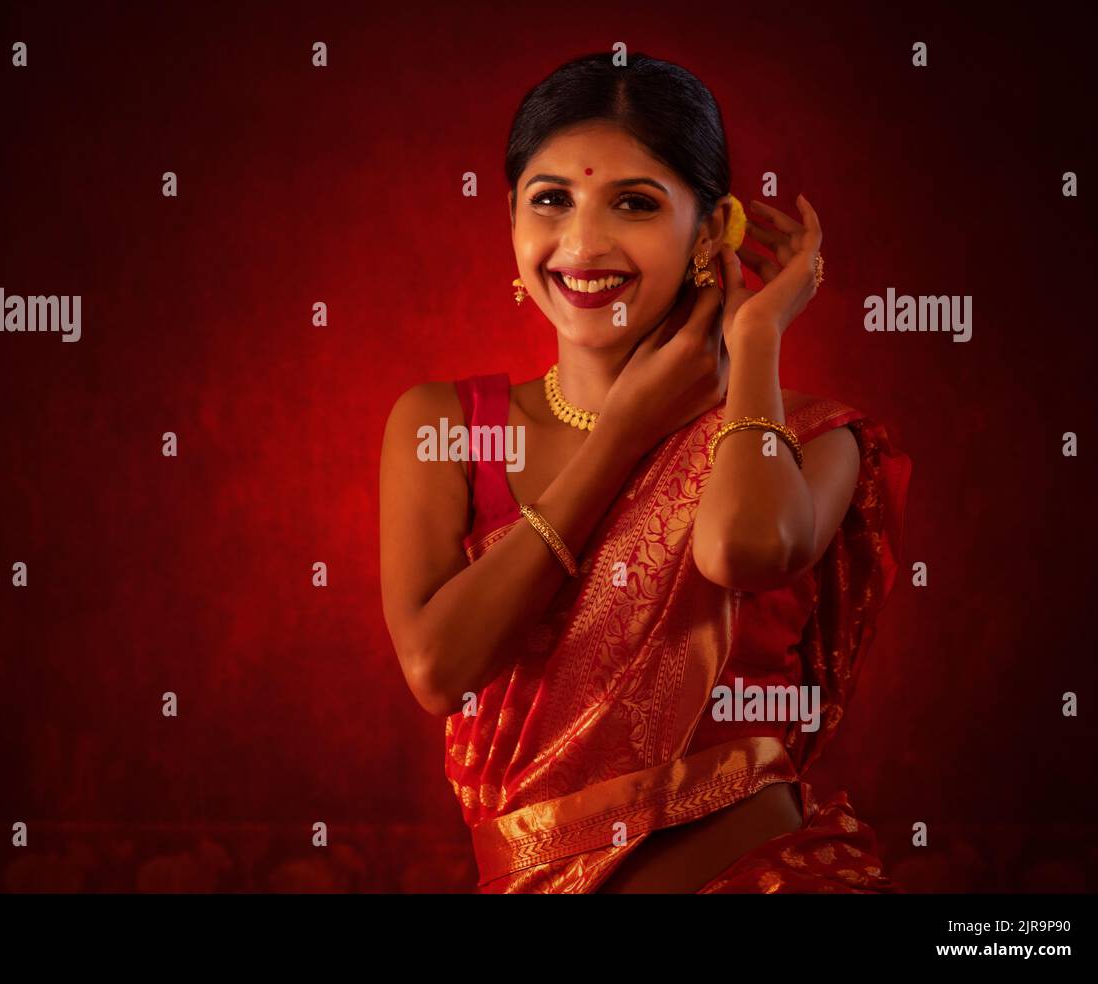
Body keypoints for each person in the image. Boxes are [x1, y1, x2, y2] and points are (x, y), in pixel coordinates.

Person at [378, 51, 911, 893]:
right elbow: (440, 669)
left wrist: (757, 341)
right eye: (550, 199)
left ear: (711, 231)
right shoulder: (447, 425)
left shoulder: (807, 433)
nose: (583, 244)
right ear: (510, 220)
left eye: (634, 203)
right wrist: (622, 436)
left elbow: (744, 548)